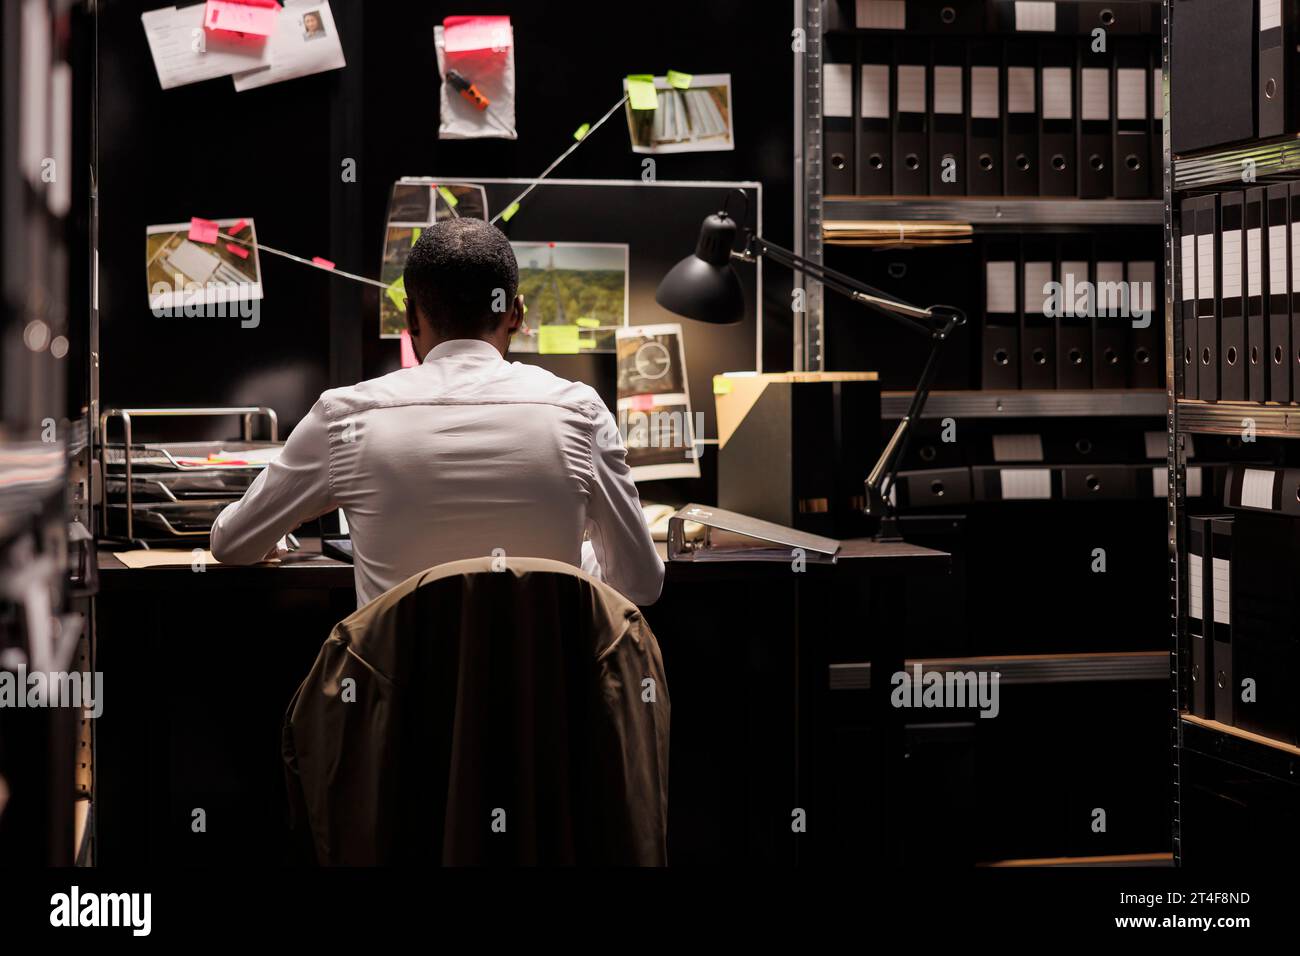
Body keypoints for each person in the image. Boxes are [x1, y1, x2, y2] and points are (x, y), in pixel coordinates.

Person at [211, 218, 664, 607]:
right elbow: (641, 584)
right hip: (543, 703)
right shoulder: (581, 414)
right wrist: (572, 557)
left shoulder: (343, 418)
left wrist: (284, 525)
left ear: (409, 319)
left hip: (396, 706)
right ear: (516, 313)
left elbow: (232, 543)